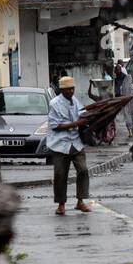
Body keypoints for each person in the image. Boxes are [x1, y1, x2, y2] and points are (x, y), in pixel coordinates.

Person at [46, 76, 91, 215]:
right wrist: (76, 124)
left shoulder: (76, 101)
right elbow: (55, 126)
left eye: (72, 89)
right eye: (68, 89)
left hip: (76, 143)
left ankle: (80, 201)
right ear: (62, 90)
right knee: (60, 174)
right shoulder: (54, 104)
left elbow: (83, 115)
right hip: (60, 144)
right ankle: (61, 204)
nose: (71, 91)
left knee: (83, 170)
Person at [114, 59, 133, 139]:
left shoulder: (126, 78)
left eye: (118, 70)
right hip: (123, 101)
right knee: (128, 117)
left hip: (130, 101)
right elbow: (116, 90)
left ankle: (131, 130)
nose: (117, 72)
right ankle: (130, 131)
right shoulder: (116, 79)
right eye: (116, 70)